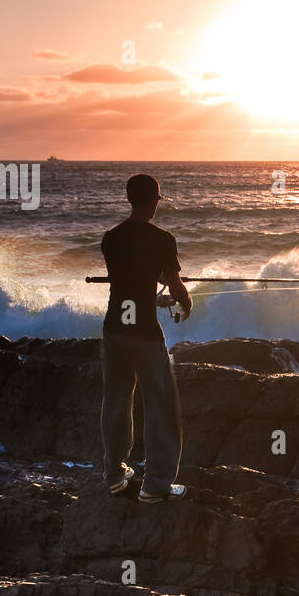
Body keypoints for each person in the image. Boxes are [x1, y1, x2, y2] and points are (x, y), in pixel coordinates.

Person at [99, 173, 193, 503]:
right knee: (161, 404)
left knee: (116, 400)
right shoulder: (163, 240)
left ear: (129, 199)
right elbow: (175, 284)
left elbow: (129, 285)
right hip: (145, 334)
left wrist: (156, 295)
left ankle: (113, 475)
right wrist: (185, 302)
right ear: (154, 200)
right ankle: (155, 485)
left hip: (114, 329)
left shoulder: (110, 238)